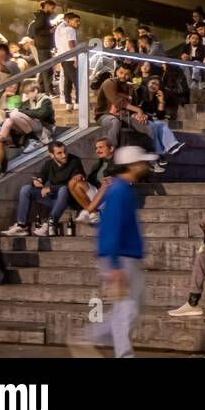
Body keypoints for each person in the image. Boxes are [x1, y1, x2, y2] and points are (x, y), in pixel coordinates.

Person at [69, 146, 155, 356]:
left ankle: (88, 338)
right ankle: (105, 345)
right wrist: (114, 266)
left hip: (124, 255)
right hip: (122, 257)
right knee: (127, 310)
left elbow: (107, 223)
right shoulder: (120, 190)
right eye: (143, 162)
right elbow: (112, 227)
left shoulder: (120, 188)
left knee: (128, 310)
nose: (146, 165)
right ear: (134, 165)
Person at [2, 141, 85, 237]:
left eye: (65, 151)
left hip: (68, 200)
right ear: (52, 155)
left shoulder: (75, 161)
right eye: (59, 153)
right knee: (26, 189)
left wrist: (50, 188)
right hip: (53, 199)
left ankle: (50, 224)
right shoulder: (48, 164)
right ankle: (22, 226)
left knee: (63, 190)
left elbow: (73, 185)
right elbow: (40, 177)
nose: (64, 155)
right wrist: (37, 181)